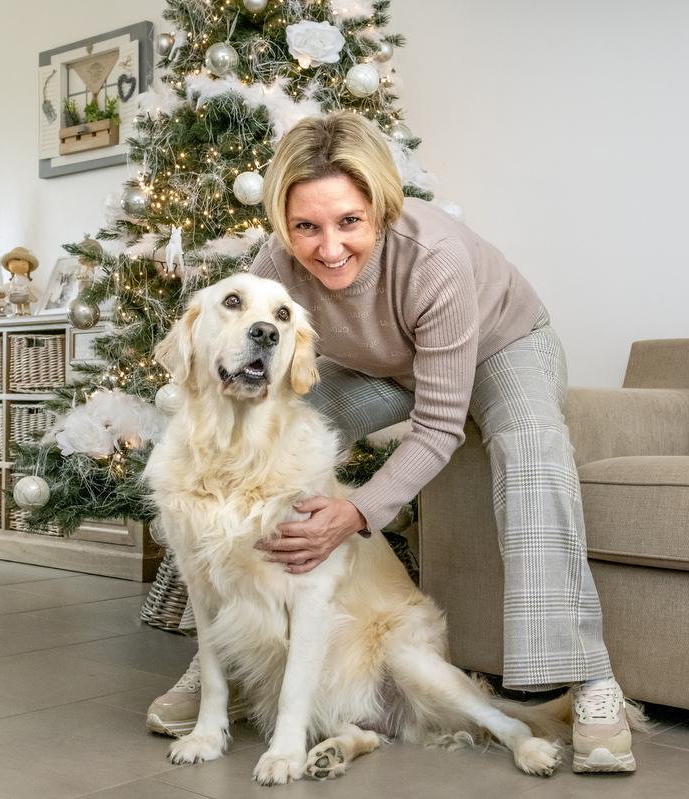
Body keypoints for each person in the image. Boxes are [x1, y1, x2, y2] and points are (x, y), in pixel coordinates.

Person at [147, 111, 637, 773]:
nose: (327, 248)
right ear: (284, 225)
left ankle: (592, 678)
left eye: (349, 221)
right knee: (273, 437)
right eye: (306, 227)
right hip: (380, 361)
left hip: (500, 344)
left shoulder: (435, 261)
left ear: (380, 206)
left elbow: (439, 424)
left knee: (532, 446)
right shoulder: (275, 270)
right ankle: (234, 655)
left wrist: (356, 512)